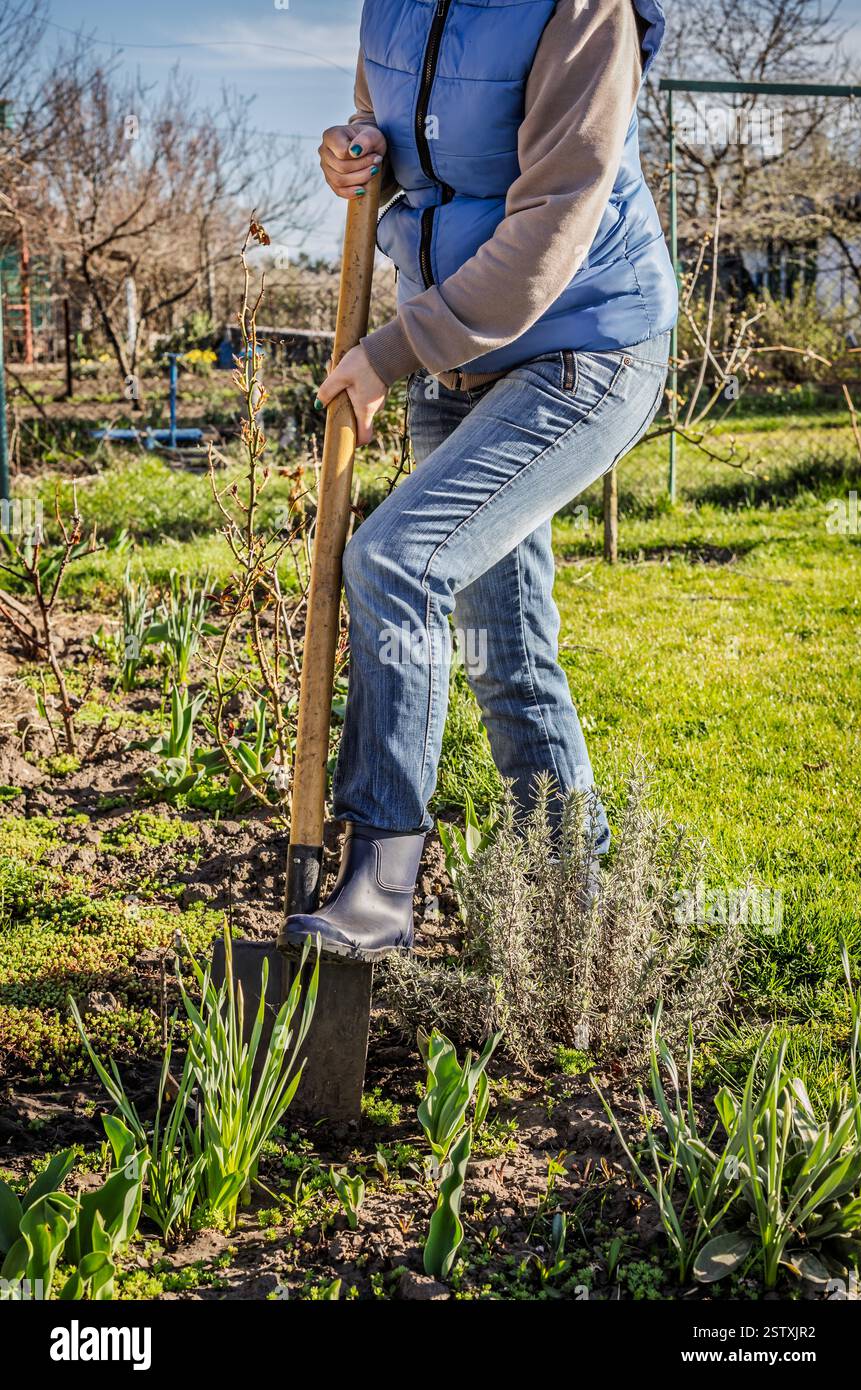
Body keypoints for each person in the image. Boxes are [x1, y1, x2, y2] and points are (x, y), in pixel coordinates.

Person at [283, 0, 677, 960]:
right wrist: (354, 149)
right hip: (462, 355)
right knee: (504, 648)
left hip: (587, 345)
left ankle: (381, 883)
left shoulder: (583, 13)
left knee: (398, 559)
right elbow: (395, 130)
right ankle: (574, 915)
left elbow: (554, 221)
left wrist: (393, 350)